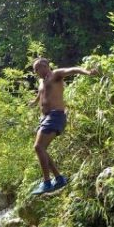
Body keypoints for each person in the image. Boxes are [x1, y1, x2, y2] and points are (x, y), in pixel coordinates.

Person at [29, 57, 96, 195]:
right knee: (42, 149)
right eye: (34, 70)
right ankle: (59, 178)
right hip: (46, 118)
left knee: (38, 147)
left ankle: (47, 182)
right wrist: (35, 102)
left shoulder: (56, 74)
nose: (36, 72)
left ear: (45, 66)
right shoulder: (41, 81)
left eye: (37, 68)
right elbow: (41, 94)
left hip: (56, 115)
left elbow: (73, 70)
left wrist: (88, 72)